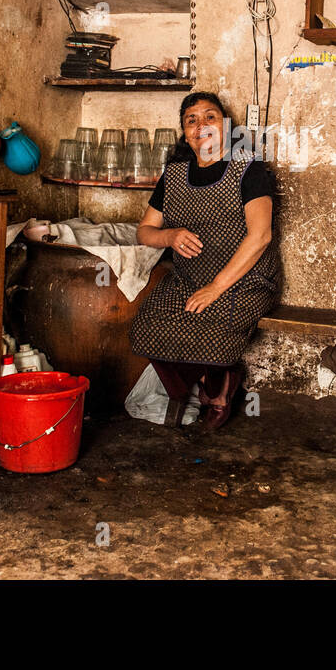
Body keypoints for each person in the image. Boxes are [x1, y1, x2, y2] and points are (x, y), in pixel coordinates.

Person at [129, 92, 280, 431]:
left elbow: (260, 237)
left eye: (210, 117)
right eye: (191, 120)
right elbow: (145, 231)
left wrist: (216, 287)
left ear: (225, 126)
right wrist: (169, 236)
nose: (201, 126)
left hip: (247, 280)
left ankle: (218, 390)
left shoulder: (250, 170)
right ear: (185, 133)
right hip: (188, 279)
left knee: (211, 331)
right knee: (145, 329)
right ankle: (207, 383)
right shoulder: (175, 176)